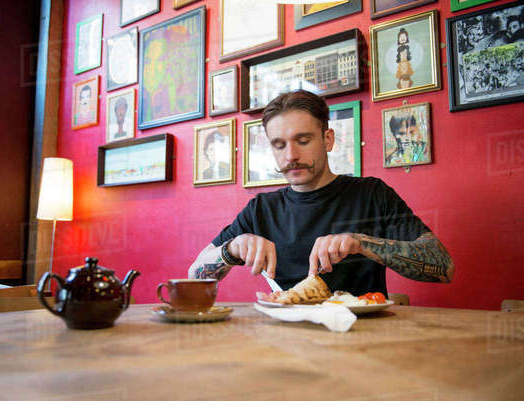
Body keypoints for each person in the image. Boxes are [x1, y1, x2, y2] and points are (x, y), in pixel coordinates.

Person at [188, 90, 453, 296]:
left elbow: (443, 267)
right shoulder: (261, 209)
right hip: (286, 340)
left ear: (328, 139)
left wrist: (360, 244)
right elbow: (193, 276)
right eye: (279, 146)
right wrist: (231, 249)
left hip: (365, 340)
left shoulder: (372, 194)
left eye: (303, 141)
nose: (291, 155)